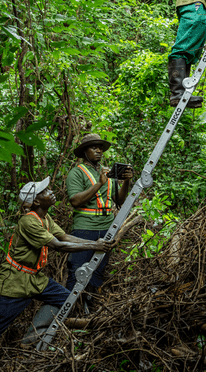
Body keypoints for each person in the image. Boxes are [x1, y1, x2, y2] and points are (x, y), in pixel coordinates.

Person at [0, 177, 116, 370]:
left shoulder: (44, 218)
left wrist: (95, 243)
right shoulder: (28, 221)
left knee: (65, 298)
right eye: (45, 191)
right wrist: (94, 245)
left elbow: (64, 236)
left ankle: (31, 339)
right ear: (36, 201)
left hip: (34, 278)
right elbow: (58, 245)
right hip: (14, 281)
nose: (51, 192)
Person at [65, 133, 132, 310]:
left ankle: (88, 309)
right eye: (94, 147)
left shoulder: (107, 172)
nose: (99, 151)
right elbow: (75, 201)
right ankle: (69, 311)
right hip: (84, 229)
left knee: (97, 273)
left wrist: (126, 181)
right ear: (84, 152)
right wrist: (99, 184)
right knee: (77, 271)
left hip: (107, 229)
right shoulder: (76, 173)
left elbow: (119, 200)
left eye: (100, 148)